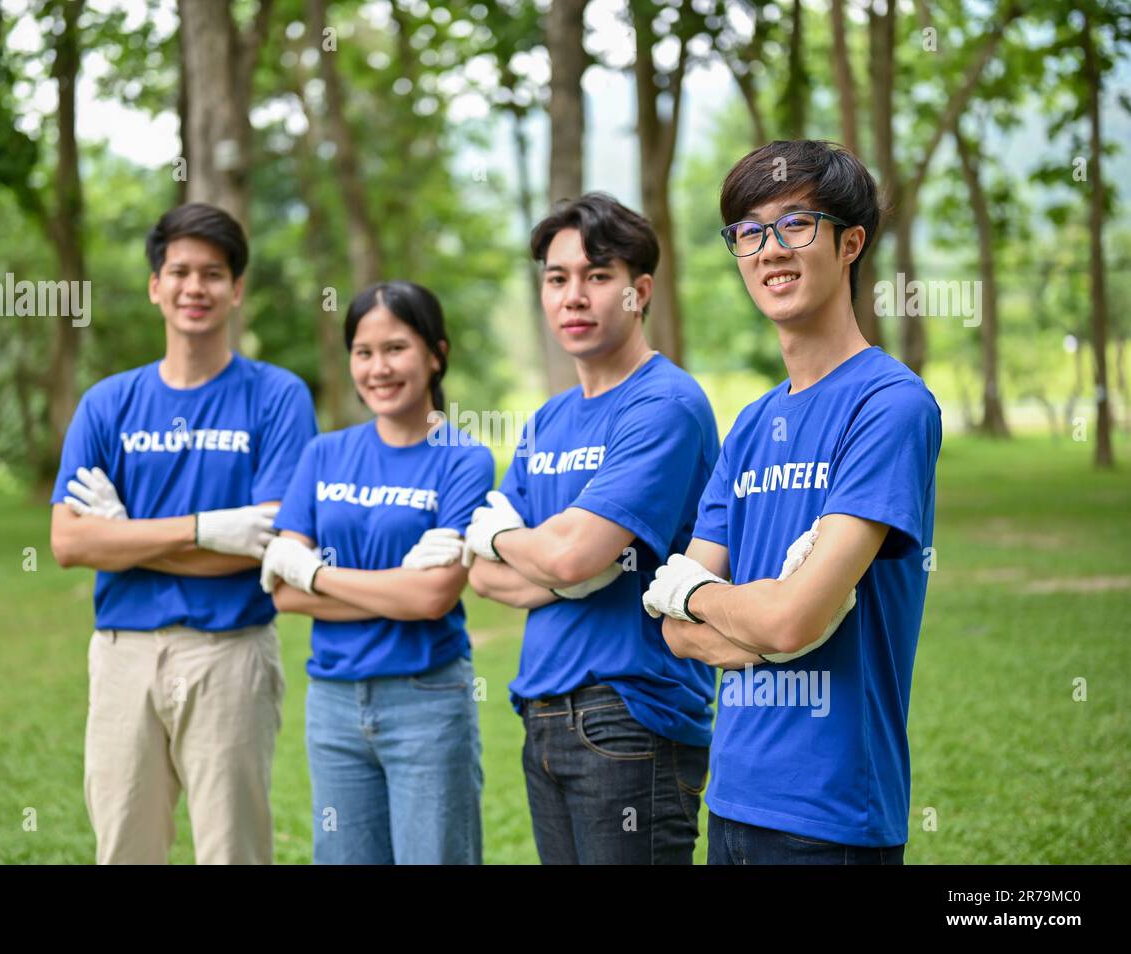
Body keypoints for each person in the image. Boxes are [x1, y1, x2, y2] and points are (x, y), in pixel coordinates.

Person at [643, 140, 942, 864]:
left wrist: (699, 593)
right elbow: (675, 633)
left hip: (833, 817)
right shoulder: (749, 423)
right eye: (749, 231)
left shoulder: (889, 405)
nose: (770, 249)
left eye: (795, 224)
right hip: (733, 795)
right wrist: (757, 610)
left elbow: (783, 620)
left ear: (851, 243)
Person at [49, 202, 317, 864]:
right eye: (179, 272)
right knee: (126, 851)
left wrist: (128, 539)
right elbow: (69, 544)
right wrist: (206, 530)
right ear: (155, 285)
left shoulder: (277, 397)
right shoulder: (107, 403)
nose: (195, 288)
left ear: (237, 289)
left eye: (214, 273)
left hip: (229, 655)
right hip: (121, 656)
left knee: (234, 852)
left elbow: (268, 548)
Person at [465, 194, 721, 864]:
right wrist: (555, 563)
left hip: (631, 712)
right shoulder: (548, 419)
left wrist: (504, 538)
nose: (573, 296)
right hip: (542, 708)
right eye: (557, 278)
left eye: (597, 276)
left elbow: (570, 555)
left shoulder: (665, 406)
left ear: (640, 291)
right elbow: (487, 578)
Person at [262, 281, 493, 865]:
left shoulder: (464, 458)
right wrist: (396, 584)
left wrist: (315, 573)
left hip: (426, 699)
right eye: (363, 352)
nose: (378, 368)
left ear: (435, 354)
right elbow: (283, 594)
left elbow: (434, 597)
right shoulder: (323, 454)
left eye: (396, 348)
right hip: (334, 702)